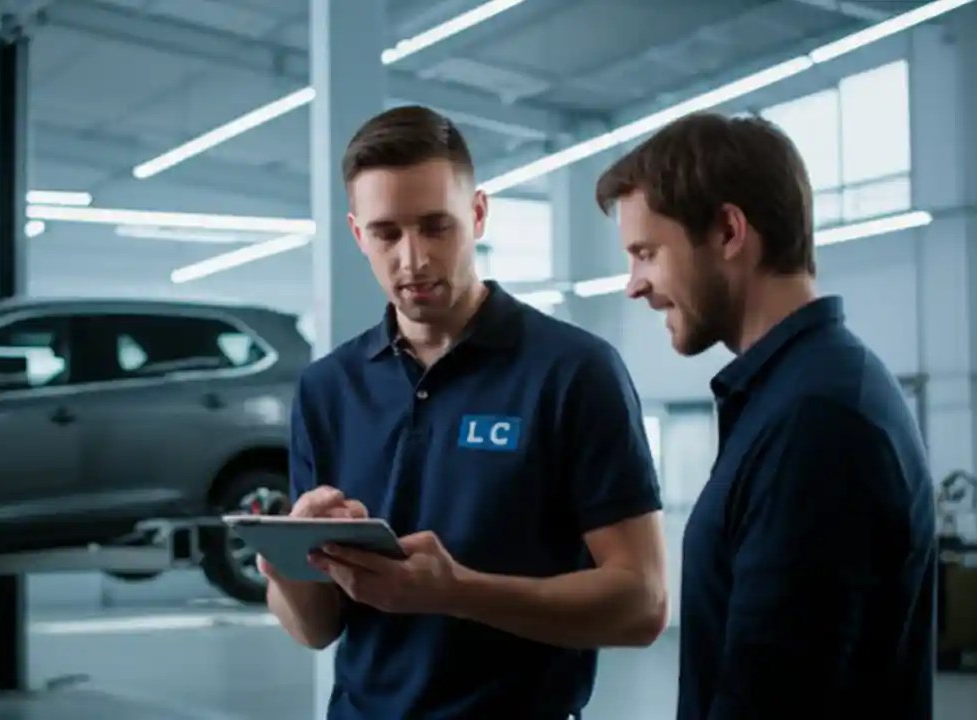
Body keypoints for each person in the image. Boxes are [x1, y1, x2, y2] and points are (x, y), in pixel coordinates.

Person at [261, 105, 669, 719]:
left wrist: (459, 594)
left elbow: (642, 604)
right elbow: (318, 630)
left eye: (436, 226)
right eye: (386, 234)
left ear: (477, 214)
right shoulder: (328, 388)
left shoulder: (573, 372)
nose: (414, 260)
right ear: (356, 234)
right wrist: (287, 567)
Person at [593, 111, 936, 719]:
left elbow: (773, 698)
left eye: (646, 252)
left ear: (728, 231)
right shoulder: (797, 394)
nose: (634, 285)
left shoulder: (817, 421)